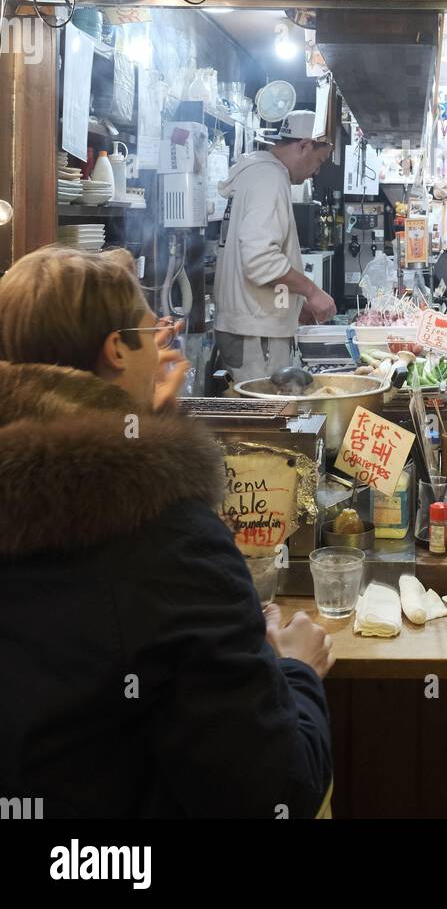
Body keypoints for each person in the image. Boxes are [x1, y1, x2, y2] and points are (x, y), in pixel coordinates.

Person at [0, 246, 334, 819]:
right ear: (114, 349)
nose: (163, 339)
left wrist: (142, 422)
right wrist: (296, 672)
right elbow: (276, 790)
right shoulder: (166, 534)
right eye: (146, 331)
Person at [214, 109, 336, 384]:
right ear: (304, 145)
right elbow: (260, 261)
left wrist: (294, 304)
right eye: (319, 161)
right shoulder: (270, 178)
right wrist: (311, 291)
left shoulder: (256, 174)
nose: (316, 172)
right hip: (256, 335)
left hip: (252, 330)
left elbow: (259, 261)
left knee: (261, 417)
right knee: (265, 417)